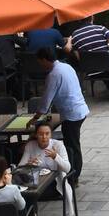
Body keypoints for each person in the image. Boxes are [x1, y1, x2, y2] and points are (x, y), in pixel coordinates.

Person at [35, 49, 89, 185]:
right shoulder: (66, 66)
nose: (40, 65)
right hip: (78, 108)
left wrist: (35, 118)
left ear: (45, 59)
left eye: (40, 62)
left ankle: (73, 176)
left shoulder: (53, 74)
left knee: (72, 146)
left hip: (72, 113)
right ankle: (73, 174)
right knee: (73, 144)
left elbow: (46, 101)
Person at [18, 121, 74, 216]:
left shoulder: (58, 145)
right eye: (41, 134)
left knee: (31, 194)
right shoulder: (30, 145)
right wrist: (28, 165)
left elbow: (67, 168)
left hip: (54, 185)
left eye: (47, 134)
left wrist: (55, 156)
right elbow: (20, 168)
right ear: (36, 135)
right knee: (26, 192)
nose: (44, 137)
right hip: (35, 182)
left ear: (51, 134)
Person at [66, 16, 109, 98]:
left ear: (79, 20)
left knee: (102, 68)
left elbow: (79, 58)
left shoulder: (75, 35)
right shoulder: (100, 29)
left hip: (90, 69)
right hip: (108, 66)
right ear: (92, 18)